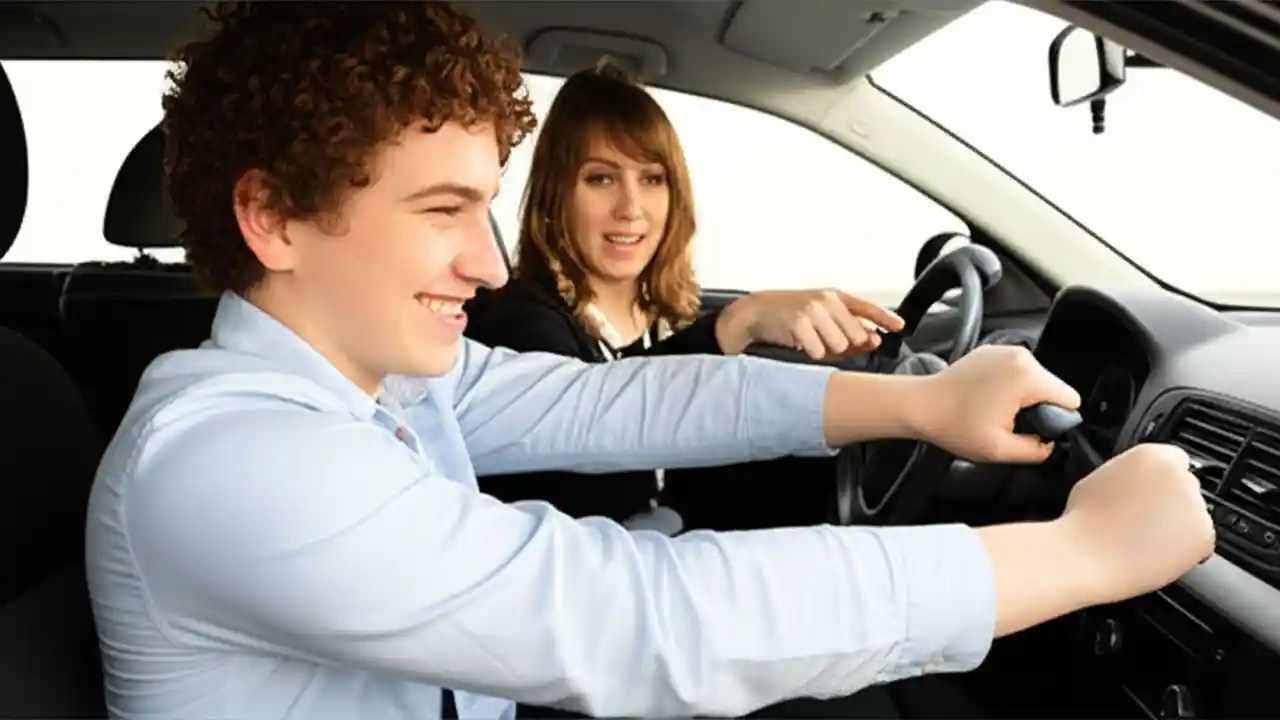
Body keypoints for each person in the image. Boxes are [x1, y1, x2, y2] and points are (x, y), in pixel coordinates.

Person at [84, 3, 1214, 720]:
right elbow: (642, 620)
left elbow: (608, 402)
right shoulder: (230, 457)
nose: (486, 264)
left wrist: (911, 404)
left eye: (486, 208)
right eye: (442, 210)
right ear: (274, 219)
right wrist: (1077, 556)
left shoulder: (378, 381)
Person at [468, 60, 922, 529]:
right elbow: (598, 469)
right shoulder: (521, 323)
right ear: (556, 194)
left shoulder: (661, 316)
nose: (630, 208)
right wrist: (736, 324)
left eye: (651, 179)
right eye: (601, 178)